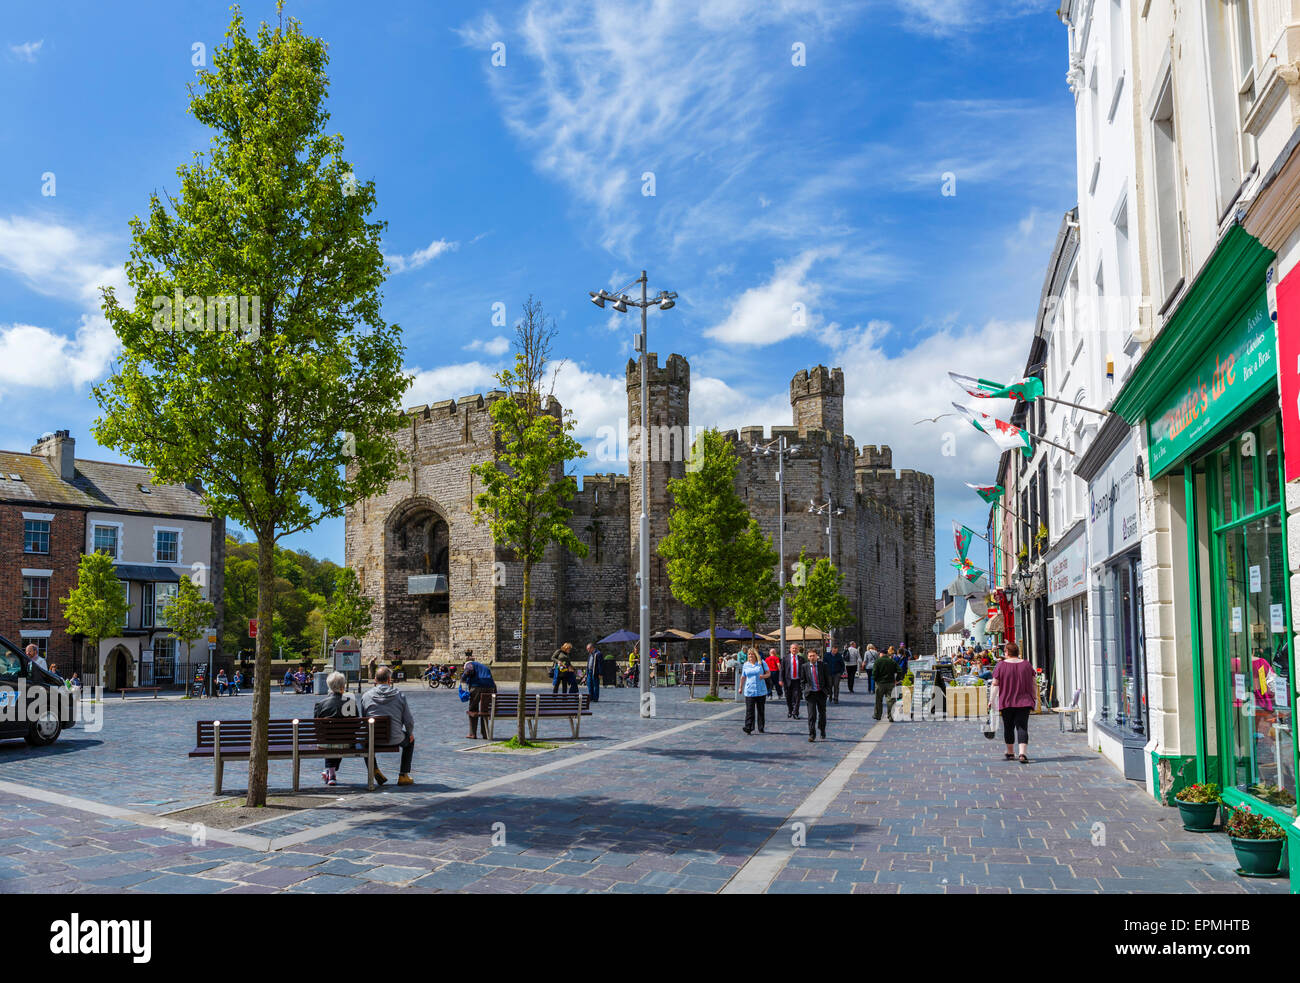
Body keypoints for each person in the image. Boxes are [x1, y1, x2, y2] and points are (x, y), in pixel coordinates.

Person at [361, 666, 416, 784]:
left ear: (375, 679)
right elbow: (409, 720)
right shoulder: (399, 695)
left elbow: (364, 719)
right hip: (395, 738)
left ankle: (374, 769)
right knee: (410, 742)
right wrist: (410, 733)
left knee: (363, 742)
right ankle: (403, 775)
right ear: (389, 679)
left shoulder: (366, 696)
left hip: (373, 738)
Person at [314, 671, 361, 786]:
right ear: (343, 686)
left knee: (329, 738)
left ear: (329, 685)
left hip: (325, 743)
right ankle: (331, 773)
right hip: (347, 742)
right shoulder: (350, 703)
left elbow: (317, 727)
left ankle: (331, 772)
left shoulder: (320, 704)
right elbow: (357, 725)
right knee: (339, 740)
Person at [992, 642, 1035, 764]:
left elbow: (995, 684)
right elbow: (1033, 682)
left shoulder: (1000, 665)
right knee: (1022, 727)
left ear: (1007, 652)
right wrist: (1034, 698)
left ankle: (1010, 753)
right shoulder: (1026, 664)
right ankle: (1022, 753)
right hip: (1024, 701)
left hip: (1006, 701)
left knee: (1008, 727)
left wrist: (992, 700)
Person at [461, 652, 497, 740]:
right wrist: (495, 693)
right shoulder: (485, 667)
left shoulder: (469, 664)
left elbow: (468, 671)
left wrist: (462, 681)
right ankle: (485, 734)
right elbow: (492, 681)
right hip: (490, 688)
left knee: (473, 709)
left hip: (477, 687)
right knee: (484, 710)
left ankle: (472, 734)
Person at [801, 650, 832, 742]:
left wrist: (828, 691)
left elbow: (828, 679)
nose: (812, 657)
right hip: (810, 694)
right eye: (810, 656)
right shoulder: (804, 666)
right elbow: (802, 680)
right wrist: (804, 689)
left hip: (821, 693)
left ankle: (822, 730)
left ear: (817, 656)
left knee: (822, 714)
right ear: (808, 657)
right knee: (811, 715)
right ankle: (812, 734)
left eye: (813, 656)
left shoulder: (823, 666)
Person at [741, 649, 770, 735]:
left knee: (760, 710)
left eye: (752, 654)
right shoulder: (745, 665)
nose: (750, 656)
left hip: (760, 690)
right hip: (749, 690)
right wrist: (740, 687)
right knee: (749, 710)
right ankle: (748, 727)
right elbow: (743, 677)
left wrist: (763, 676)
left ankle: (761, 727)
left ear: (756, 655)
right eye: (749, 654)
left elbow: (769, 673)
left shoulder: (762, 663)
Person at [873, 648, 900, 721]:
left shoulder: (877, 661)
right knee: (890, 700)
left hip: (880, 683)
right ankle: (891, 716)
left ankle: (878, 715)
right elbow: (899, 671)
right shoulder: (892, 661)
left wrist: (875, 680)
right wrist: (897, 680)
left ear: (881, 654)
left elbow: (874, 673)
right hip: (890, 683)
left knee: (878, 700)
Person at [781, 643, 804, 719]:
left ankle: (795, 712)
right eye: (793, 648)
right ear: (790, 649)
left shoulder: (801, 659)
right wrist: (781, 680)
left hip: (797, 681)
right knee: (788, 697)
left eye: (796, 648)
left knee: (797, 697)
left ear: (798, 650)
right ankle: (790, 711)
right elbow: (782, 670)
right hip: (788, 681)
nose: (794, 650)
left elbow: (804, 671)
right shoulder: (785, 658)